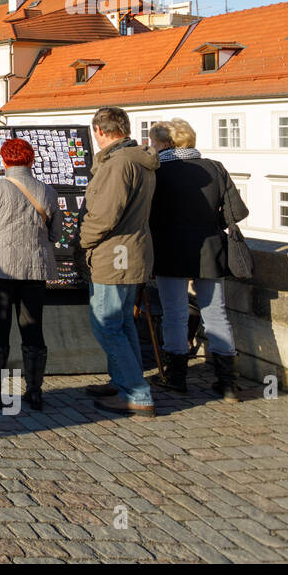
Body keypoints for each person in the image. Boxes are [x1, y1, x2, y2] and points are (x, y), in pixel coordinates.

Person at [148, 119, 248, 401]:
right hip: (210, 249)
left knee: (175, 314)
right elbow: (236, 213)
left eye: (154, 142)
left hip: (170, 249)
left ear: (166, 143)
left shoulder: (159, 172)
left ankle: (176, 377)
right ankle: (228, 383)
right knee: (216, 313)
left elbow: (150, 215)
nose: (152, 147)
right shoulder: (215, 168)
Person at [0, 138, 60, 411]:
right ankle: (35, 390)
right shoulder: (47, 191)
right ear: (31, 160)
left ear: (4, 161)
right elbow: (56, 234)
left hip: (0, 269)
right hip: (35, 269)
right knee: (32, 329)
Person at [79, 106, 159, 417]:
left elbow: (104, 215)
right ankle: (124, 382)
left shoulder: (118, 164)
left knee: (106, 325)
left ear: (99, 130)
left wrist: (82, 241)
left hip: (114, 255)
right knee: (123, 323)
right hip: (132, 252)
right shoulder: (139, 160)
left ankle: (137, 393)